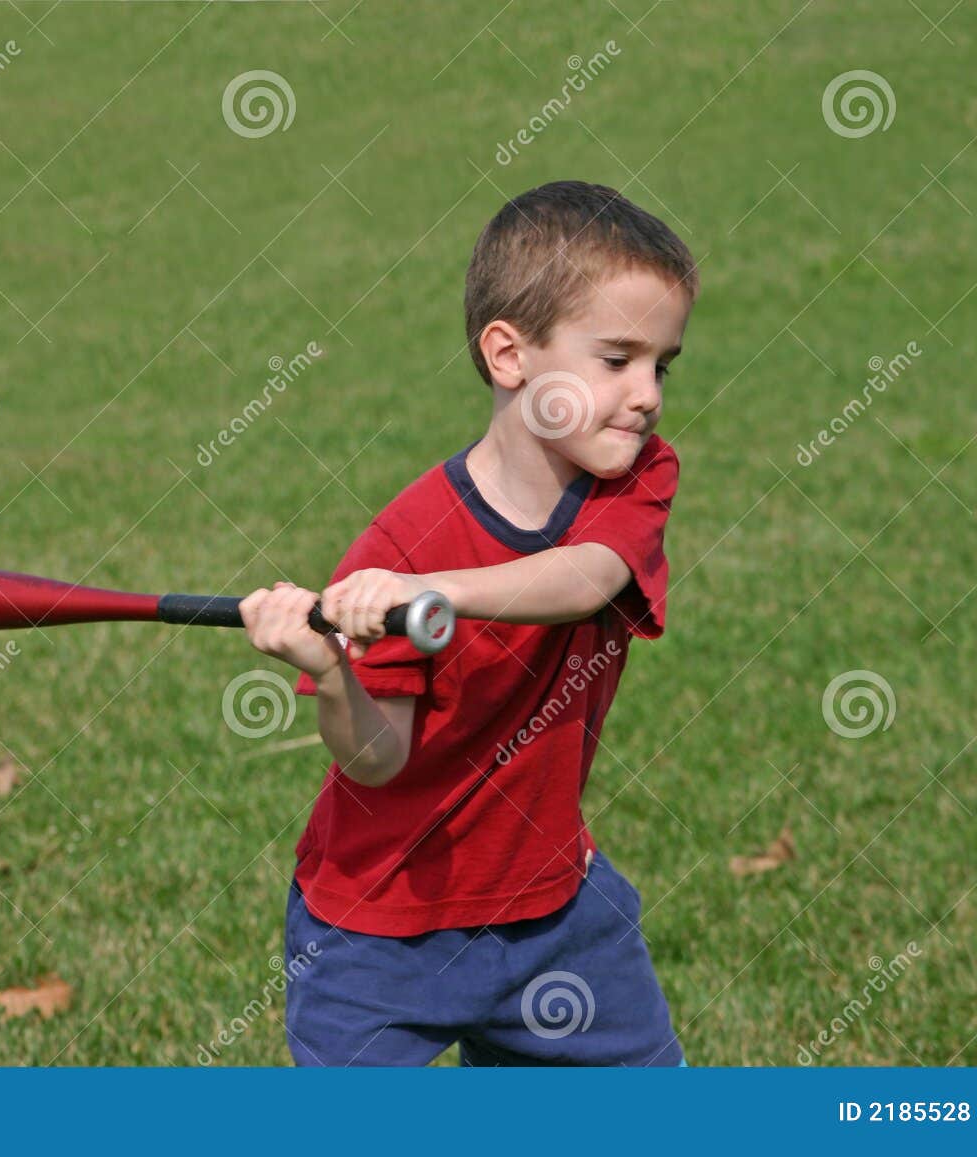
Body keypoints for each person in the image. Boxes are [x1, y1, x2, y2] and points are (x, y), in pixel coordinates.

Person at [239, 180, 698, 1066]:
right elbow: (374, 757)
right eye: (616, 360)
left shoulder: (633, 482)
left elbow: (586, 578)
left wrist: (427, 593)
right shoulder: (400, 545)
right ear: (509, 355)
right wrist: (329, 667)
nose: (646, 395)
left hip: (555, 920)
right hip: (377, 932)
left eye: (662, 364)